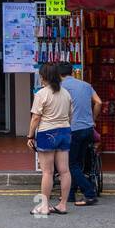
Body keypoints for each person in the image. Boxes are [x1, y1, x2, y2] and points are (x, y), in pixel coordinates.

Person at [27, 61, 73, 216]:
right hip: (65, 131)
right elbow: (70, 115)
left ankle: (44, 206)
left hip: (47, 132)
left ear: (44, 77)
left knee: (47, 172)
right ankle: (62, 205)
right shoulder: (66, 93)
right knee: (65, 171)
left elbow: (35, 118)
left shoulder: (41, 94)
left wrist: (30, 135)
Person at [59, 63, 102, 206]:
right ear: (72, 72)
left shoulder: (61, 87)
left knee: (71, 165)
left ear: (59, 74)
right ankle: (69, 194)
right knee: (77, 163)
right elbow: (98, 102)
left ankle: (89, 193)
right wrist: (93, 120)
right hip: (88, 129)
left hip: (73, 130)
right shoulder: (85, 85)